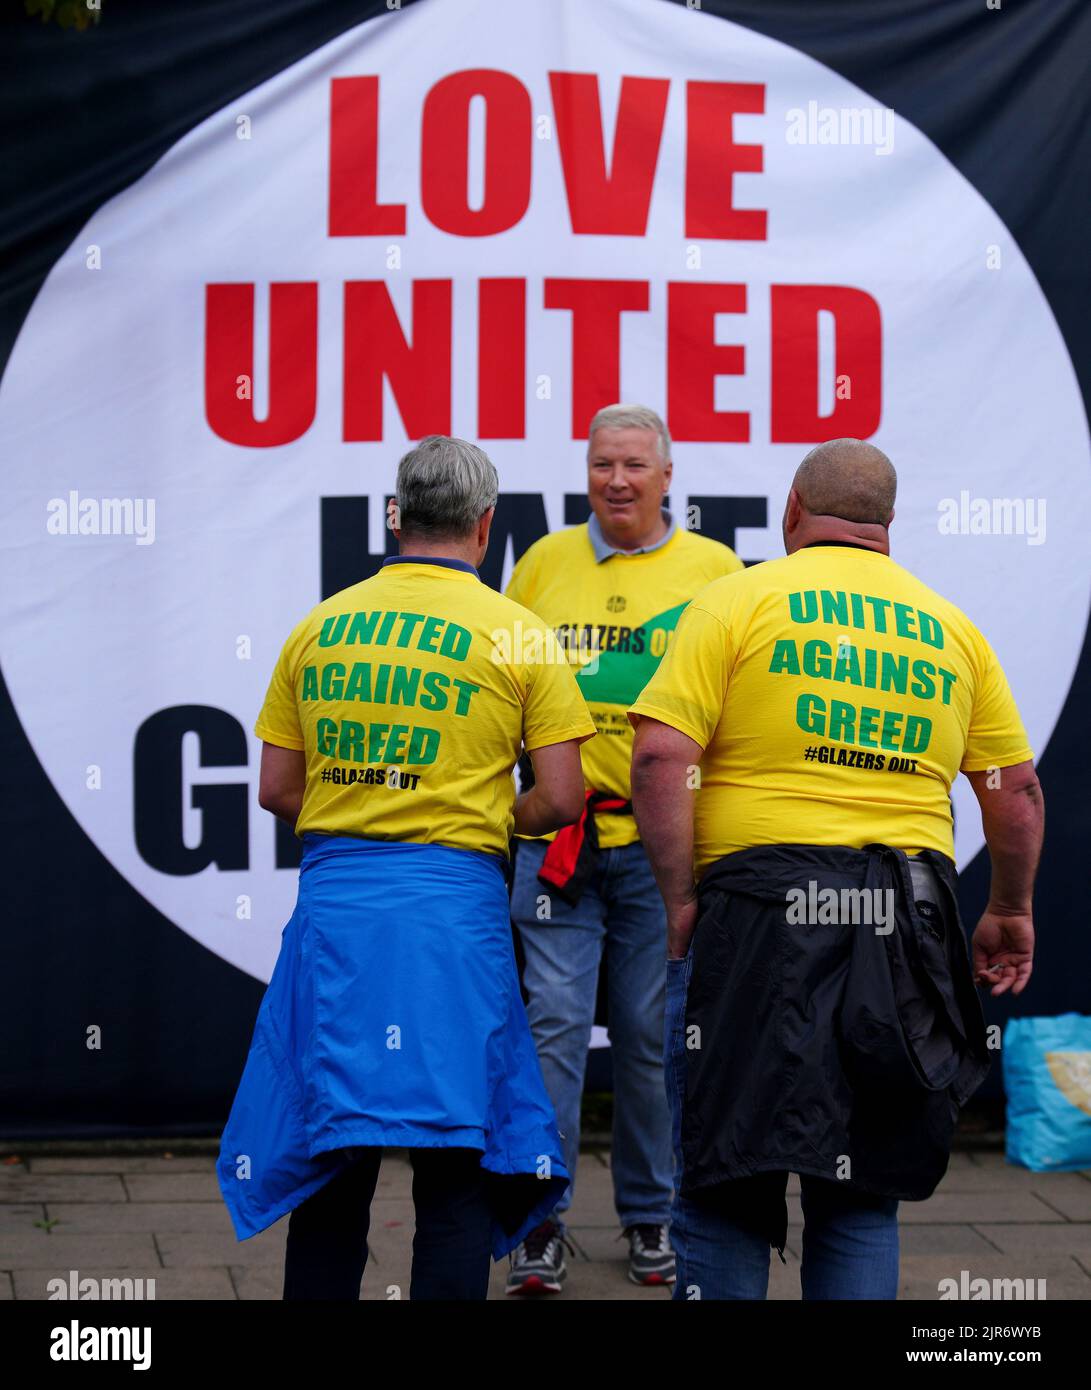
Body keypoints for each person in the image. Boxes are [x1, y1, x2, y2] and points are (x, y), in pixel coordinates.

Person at [629, 437, 1044, 1301]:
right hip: (904, 922)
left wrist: (677, 899)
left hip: (755, 915)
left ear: (790, 508)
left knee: (724, 1182)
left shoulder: (735, 600)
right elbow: (1017, 791)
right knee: (861, 1193)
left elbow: (661, 758)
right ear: (885, 529)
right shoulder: (950, 628)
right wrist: (1009, 907)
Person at [216, 436, 596, 1301]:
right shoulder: (520, 634)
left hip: (338, 920)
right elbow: (564, 798)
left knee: (331, 1159)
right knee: (457, 1162)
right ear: (485, 525)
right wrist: (492, 817)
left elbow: (279, 789)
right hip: (451, 924)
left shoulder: (321, 626)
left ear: (398, 516)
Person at [503, 403, 743, 1292]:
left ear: (668, 475)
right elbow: (504, 685)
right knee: (551, 1033)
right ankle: (536, 1221)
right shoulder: (539, 563)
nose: (617, 480)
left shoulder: (717, 572)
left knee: (651, 1038)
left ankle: (651, 1216)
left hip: (660, 849)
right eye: (603, 463)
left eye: (635, 464)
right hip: (558, 844)